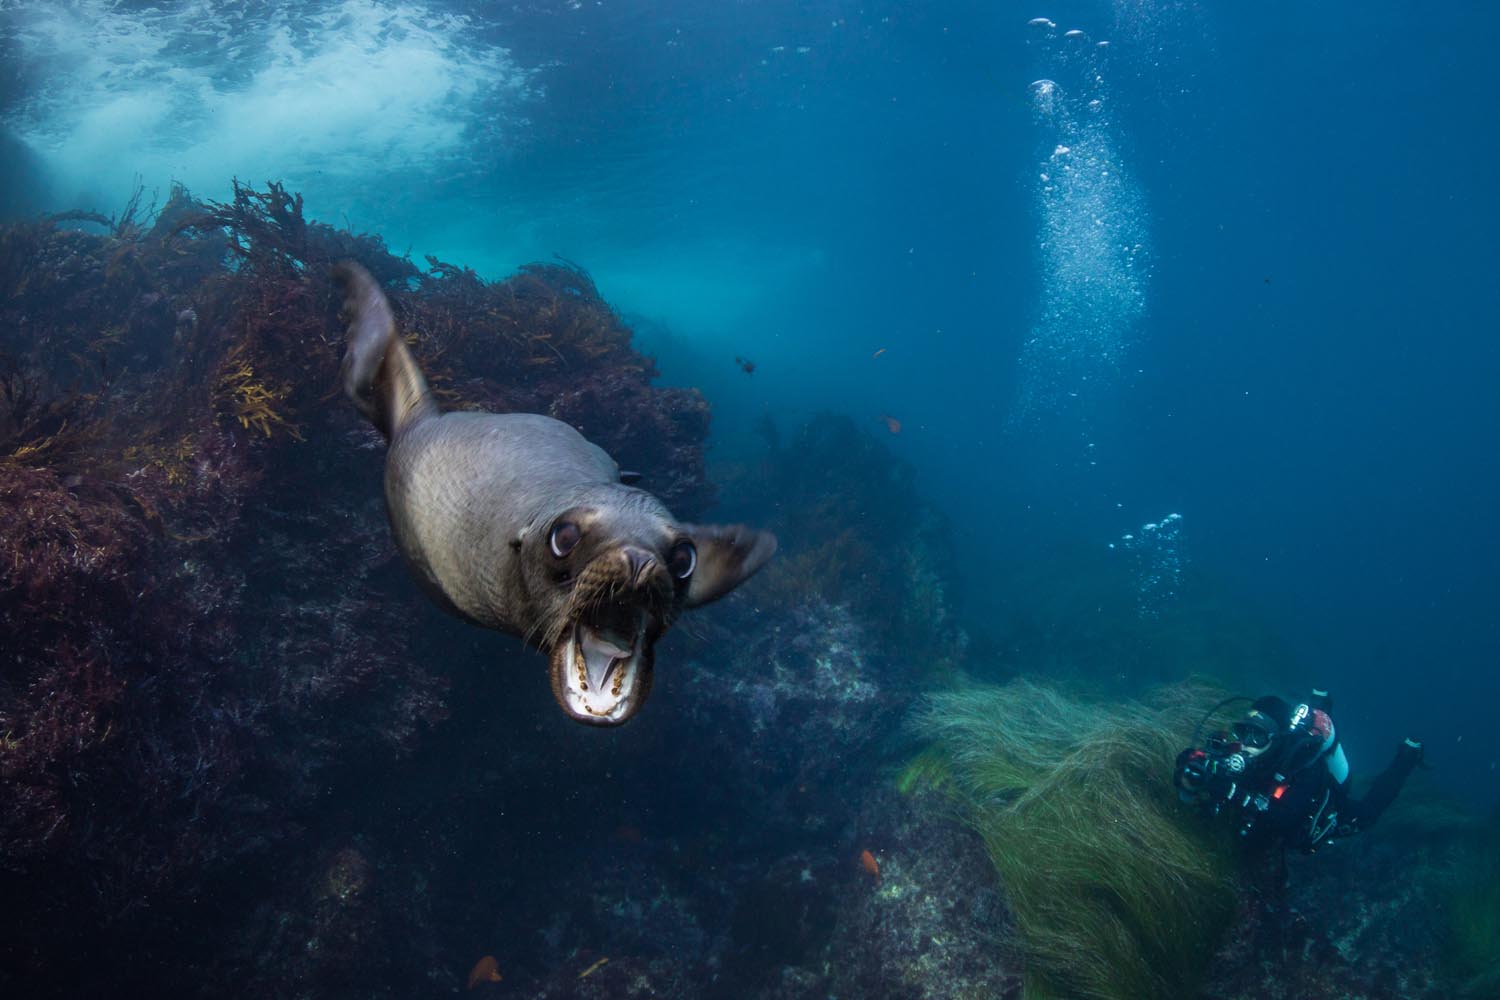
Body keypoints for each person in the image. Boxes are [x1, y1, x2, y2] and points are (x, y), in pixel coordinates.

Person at [1173, 689, 1425, 852]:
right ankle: (1320, 703)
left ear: (1275, 739)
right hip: (1268, 790)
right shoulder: (1240, 749)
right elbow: (1199, 763)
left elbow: (1286, 819)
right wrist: (1193, 765)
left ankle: (1408, 756)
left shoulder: (1304, 770)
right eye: (1242, 732)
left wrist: (1229, 791)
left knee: (1367, 814)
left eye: (1257, 736)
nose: (1246, 744)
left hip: (1324, 802)